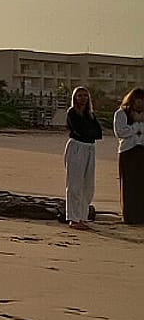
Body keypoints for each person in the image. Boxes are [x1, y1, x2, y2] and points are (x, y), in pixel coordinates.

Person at [63, 86, 102, 230]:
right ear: (75, 98)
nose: (83, 98)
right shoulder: (72, 112)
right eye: (79, 95)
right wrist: (88, 132)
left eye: (85, 95)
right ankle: (73, 218)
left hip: (90, 148)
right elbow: (78, 130)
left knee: (88, 185)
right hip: (76, 147)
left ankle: (82, 216)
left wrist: (88, 132)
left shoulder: (90, 114)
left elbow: (98, 133)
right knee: (75, 183)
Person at [113, 87, 144, 225]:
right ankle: (129, 216)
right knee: (128, 185)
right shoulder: (121, 113)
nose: (139, 104)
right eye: (137, 101)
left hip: (142, 151)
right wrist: (137, 127)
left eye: (142, 101)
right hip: (127, 151)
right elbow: (120, 132)